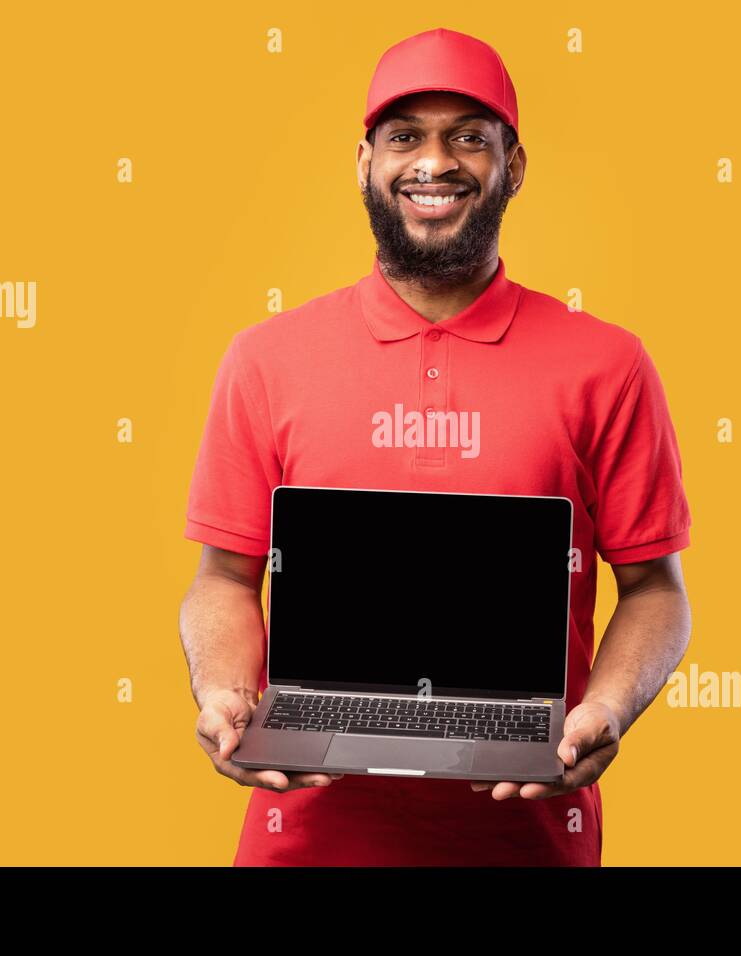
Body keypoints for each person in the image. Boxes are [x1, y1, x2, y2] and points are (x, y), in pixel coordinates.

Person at [180, 27, 693, 866]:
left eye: (468, 136)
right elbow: (223, 579)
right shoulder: (265, 360)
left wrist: (607, 707)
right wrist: (226, 695)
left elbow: (655, 591)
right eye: (405, 136)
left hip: (528, 837)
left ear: (512, 166)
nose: (434, 162)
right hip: (306, 845)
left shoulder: (608, 364)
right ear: (364, 163)